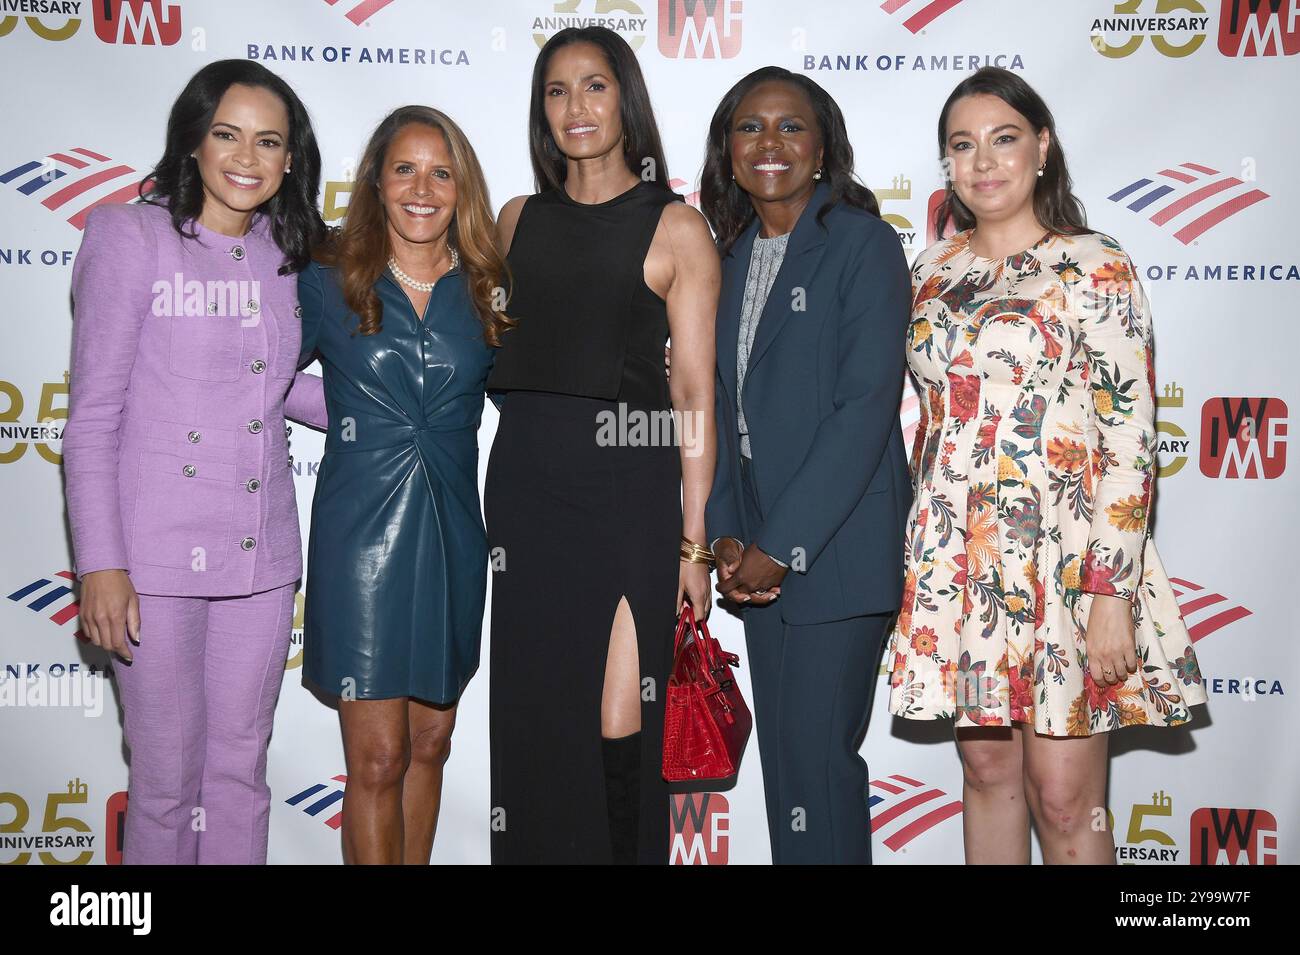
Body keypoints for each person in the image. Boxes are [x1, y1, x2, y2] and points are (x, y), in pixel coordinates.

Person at [886, 67, 1207, 864]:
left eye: (1003, 139)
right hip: (961, 565)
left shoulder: (1095, 264)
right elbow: (920, 425)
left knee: (1066, 798)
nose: (983, 161)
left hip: (1065, 564)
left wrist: (1110, 592)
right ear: (947, 164)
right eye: (963, 145)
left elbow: (1132, 437)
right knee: (987, 768)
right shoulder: (928, 275)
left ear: (1043, 147)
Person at [62, 59, 327, 864]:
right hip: (153, 563)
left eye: (269, 141)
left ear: (290, 160)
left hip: (262, 556)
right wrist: (101, 565)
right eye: (227, 134)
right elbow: (91, 419)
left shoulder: (289, 255)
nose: (247, 157)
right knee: (167, 780)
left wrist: (411, 395)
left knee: (239, 773)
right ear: (194, 141)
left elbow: (273, 386)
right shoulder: (129, 237)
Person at [484, 26, 719, 864]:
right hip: (524, 484)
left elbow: (693, 394)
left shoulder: (676, 227)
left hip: (627, 494)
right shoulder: (515, 219)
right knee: (534, 714)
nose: (575, 107)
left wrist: (694, 541)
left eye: (594, 86)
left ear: (626, 99)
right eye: (556, 90)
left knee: (618, 716)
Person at [700, 67, 912, 865]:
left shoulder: (861, 242)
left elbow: (863, 411)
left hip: (834, 548)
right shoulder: (731, 253)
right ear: (728, 149)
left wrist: (779, 543)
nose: (770, 144)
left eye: (792, 127)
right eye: (751, 127)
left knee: (819, 767)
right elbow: (718, 407)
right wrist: (725, 535)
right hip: (754, 554)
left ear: (824, 148)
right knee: (789, 769)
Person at [296, 106, 507, 864]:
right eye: (405, 169)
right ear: (377, 184)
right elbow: (254, 369)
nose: (423, 188)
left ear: (462, 188)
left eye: (441, 172)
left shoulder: (489, 287)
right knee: (379, 757)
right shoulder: (330, 276)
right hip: (360, 540)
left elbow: (529, 399)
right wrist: (350, 412)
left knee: (432, 741)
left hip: (453, 532)